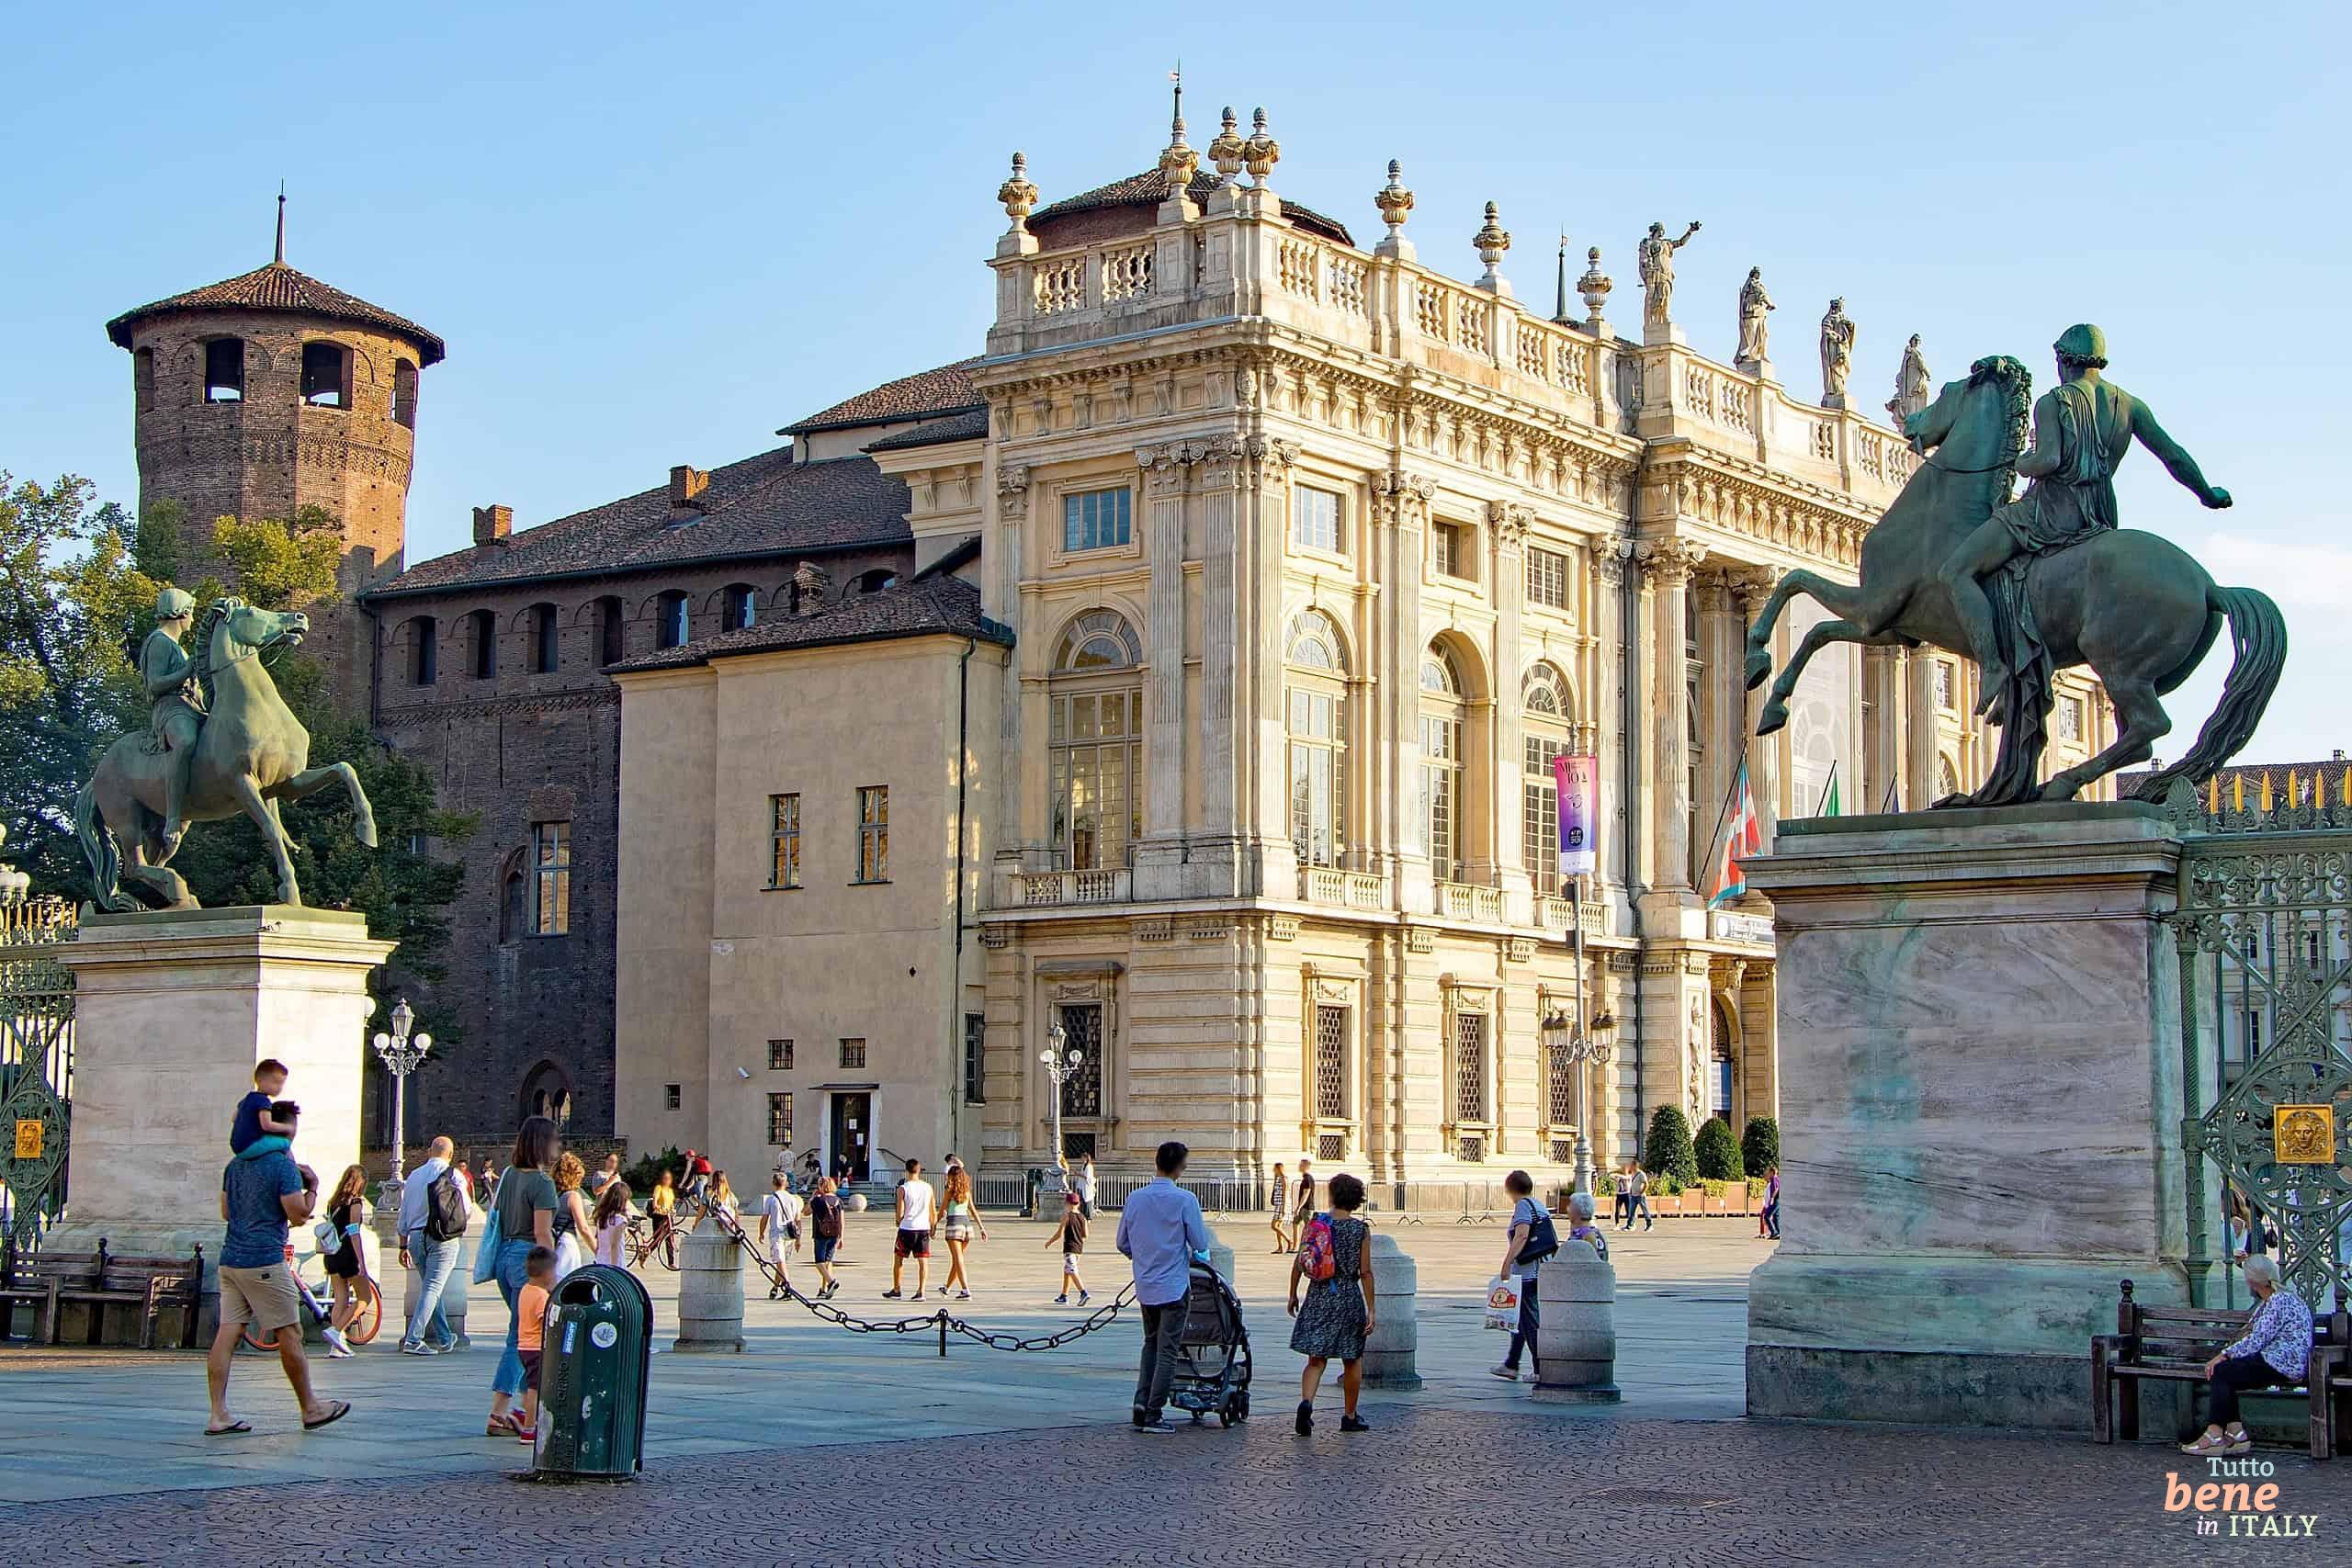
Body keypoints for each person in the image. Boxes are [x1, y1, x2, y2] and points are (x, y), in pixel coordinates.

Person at [1933, 323, 2232, 725]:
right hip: (2098, 515)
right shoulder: (2128, 405)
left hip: (2048, 514)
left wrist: (2022, 461)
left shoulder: (2054, 401)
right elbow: (2172, 455)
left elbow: (2049, 461)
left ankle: (1993, 668)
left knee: (1957, 570)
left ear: (2064, 360)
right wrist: (2206, 492)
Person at [205, 1101, 350, 1435]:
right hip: (265, 1260)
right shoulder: (282, 1165)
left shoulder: (235, 1164)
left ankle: (218, 1413)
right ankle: (310, 1407)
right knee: (290, 1332)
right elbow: (298, 1214)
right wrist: (312, 1188)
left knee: (228, 1333)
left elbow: (226, 1212)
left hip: (232, 1260)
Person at [1116, 1140, 1211, 1434]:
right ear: (1181, 1168)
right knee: (1168, 1350)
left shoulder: (1135, 1198)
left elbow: (1122, 1242)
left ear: (1156, 1162)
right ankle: (1154, 1413)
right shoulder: (1185, 1200)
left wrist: (1143, 1256)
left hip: (1146, 1285)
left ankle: (1141, 1403)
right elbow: (1200, 1243)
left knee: (1150, 1344)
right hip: (1173, 1286)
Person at [2182, 1255, 2313, 1457]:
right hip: (2283, 1360)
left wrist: (2223, 1355)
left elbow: (2256, 1341)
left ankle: (2214, 1434)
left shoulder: (2277, 1301)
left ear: (2251, 1281)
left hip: (2281, 1363)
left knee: (2222, 1371)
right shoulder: (2283, 1297)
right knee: (2228, 1375)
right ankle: (2235, 1433)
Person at [1288, 1171, 1377, 1436]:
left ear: (1333, 1196)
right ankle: (1349, 1416)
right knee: (1352, 1359)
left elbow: (1299, 1261)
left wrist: (1293, 1293)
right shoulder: (1360, 1229)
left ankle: (1306, 1403)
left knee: (1316, 1359)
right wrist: (1371, 1308)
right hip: (1348, 1296)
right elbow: (1365, 1272)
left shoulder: (1317, 1223)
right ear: (1357, 1200)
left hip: (1318, 1293)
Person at [487, 1116, 560, 1438]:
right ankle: (499, 1412)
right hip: (527, 1258)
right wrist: (552, 1276)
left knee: (522, 1331)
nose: (559, 1146)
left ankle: (519, 1408)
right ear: (543, 1144)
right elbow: (543, 1233)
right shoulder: (542, 1184)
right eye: (555, 1140)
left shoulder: (509, 1176)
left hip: (504, 1255)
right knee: (521, 1337)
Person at [140, 583, 206, 852]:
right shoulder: (159, 641)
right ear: (180, 613)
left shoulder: (178, 647)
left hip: (190, 706)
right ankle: (173, 815)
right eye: (190, 613)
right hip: (170, 708)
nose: (192, 619)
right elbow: (155, 684)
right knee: (186, 742)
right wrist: (188, 670)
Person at [397, 1134, 466, 1354]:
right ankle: (414, 1339)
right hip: (443, 1238)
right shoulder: (454, 1175)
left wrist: (402, 1244)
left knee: (431, 1288)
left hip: (416, 1237)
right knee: (433, 1288)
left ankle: (445, 1338)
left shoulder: (414, 1176)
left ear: (429, 1152)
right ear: (451, 1154)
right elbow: (467, 1208)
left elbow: (404, 1213)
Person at [1489, 1169, 1558, 1384]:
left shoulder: (1522, 1207)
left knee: (1529, 1322)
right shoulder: (1538, 1205)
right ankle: (1511, 1364)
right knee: (1518, 1320)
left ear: (1510, 1188)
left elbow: (1522, 1235)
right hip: (1540, 1268)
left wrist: (1507, 1263)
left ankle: (1540, 1368)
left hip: (1528, 1272)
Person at [320, 1164, 369, 1353]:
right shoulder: (355, 1203)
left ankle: (336, 1346)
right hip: (348, 1255)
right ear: (360, 1182)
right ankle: (336, 1330)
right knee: (365, 1297)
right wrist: (361, 1262)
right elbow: (353, 1233)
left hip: (332, 1254)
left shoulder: (333, 1202)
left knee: (341, 1297)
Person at [513, 1246, 557, 1445]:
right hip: (536, 1348)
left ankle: (529, 1421)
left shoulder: (526, 1290)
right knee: (535, 1388)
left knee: (532, 1385)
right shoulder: (541, 1296)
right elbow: (546, 1321)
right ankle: (530, 1427)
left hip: (524, 1346)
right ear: (547, 1273)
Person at [884, 1157, 935, 1302]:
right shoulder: (928, 1187)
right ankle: (921, 1291)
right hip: (923, 1228)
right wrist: (933, 1226)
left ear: (906, 1171)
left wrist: (898, 1220)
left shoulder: (903, 1189)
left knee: (899, 1259)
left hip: (907, 1228)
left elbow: (899, 1212)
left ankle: (897, 1289)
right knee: (923, 1261)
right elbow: (932, 1210)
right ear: (919, 1170)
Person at [229, 1058, 297, 1162]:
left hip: (236, 1147)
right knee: (285, 1143)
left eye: (282, 1084)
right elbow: (267, 1125)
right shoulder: (263, 1101)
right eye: (276, 1083)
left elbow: (234, 1118)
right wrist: (287, 1127)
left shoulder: (246, 1099)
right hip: (250, 1147)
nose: (279, 1088)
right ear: (261, 1081)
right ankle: (290, 1169)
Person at [937, 1166, 988, 1300]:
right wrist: (981, 1227)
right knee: (957, 1260)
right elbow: (973, 1210)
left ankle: (965, 1289)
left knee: (958, 1260)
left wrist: (933, 1225)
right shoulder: (967, 1192)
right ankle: (947, 1288)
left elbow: (942, 1210)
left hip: (954, 1225)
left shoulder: (950, 1191)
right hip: (967, 1227)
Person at [759, 1172, 804, 1298]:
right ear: (786, 1184)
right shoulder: (793, 1199)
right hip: (790, 1233)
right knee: (782, 1262)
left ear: (773, 1183)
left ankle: (787, 1286)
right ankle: (775, 1287)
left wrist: (761, 1233)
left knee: (780, 1261)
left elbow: (765, 1218)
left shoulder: (771, 1199)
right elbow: (798, 1220)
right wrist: (798, 1239)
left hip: (776, 1233)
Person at [551, 1152, 594, 1280]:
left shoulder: (552, 1195)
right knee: (567, 1282)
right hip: (567, 1242)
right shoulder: (573, 1196)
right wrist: (597, 1248)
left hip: (552, 1241)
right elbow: (584, 1228)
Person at [1046, 1190, 1091, 1305]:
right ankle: (1064, 1295)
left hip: (1070, 1247)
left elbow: (1060, 1233)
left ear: (1068, 1204)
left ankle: (1083, 1292)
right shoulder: (1083, 1217)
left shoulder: (1067, 1216)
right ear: (1078, 1203)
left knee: (1071, 1270)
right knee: (1067, 1270)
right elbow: (1085, 1234)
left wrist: (1049, 1242)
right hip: (1079, 1248)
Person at [808, 1176, 844, 1298]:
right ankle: (824, 1289)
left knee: (819, 1262)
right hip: (834, 1234)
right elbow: (842, 1221)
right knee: (828, 1262)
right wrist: (841, 1236)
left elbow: (806, 1211)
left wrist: (812, 1198)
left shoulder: (817, 1200)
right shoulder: (838, 1200)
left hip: (820, 1233)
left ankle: (831, 1282)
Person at [593, 1179, 632, 1268]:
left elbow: (599, 1244)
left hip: (600, 1261)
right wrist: (614, 1267)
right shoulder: (620, 1220)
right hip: (615, 1263)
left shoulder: (601, 1218)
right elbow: (615, 1245)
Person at [646, 1168, 680, 1268]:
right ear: (662, 1179)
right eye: (665, 1178)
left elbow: (671, 1203)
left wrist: (673, 1210)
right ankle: (646, 1253)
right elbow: (655, 1200)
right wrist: (656, 1205)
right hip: (659, 1216)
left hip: (668, 1216)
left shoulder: (670, 1191)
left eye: (669, 1178)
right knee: (658, 1239)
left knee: (669, 1238)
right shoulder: (659, 1188)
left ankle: (671, 1262)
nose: (667, 1180)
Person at [1564, 1190, 1609, 1261]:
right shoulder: (1597, 1233)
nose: (1567, 1209)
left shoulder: (1581, 1236)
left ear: (1576, 1211)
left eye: (1570, 1206)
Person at [1292, 1158, 1317, 1247]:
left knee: (1309, 1228)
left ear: (1306, 1166)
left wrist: (1299, 1207)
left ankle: (1310, 1245)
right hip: (1303, 1207)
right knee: (1295, 1223)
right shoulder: (1305, 1178)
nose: (1299, 1166)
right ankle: (1295, 1245)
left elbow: (1306, 1194)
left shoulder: (1308, 1179)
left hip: (1307, 1207)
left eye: (1301, 1165)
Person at [1621, 1162, 1654, 1231]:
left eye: (1632, 1166)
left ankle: (1649, 1225)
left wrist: (1642, 1192)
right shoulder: (1633, 1174)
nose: (1630, 1167)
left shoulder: (1641, 1174)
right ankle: (1630, 1225)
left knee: (1645, 1210)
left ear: (1635, 1166)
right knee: (1631, 1211)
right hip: (1633, 1195)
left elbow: (1646, 1184)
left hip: (1640, 1196)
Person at [1268, 1162, 1292, 1254]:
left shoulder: (1283, 1179)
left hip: (1282, 1205)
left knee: (1274, 1226)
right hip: (1278, 1204)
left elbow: (1285, 1193)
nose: (1273, 1170)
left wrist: (1284, 1208)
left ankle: (1289, 1240)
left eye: (1275, 1168)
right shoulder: (1277, 1178)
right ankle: (1280, 1247)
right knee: (1278, 1226)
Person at [1758, 1164, 1781, 1240]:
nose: (1767, 1174)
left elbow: (1776, 1189)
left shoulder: (1774, 1179)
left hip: (1775, 1200)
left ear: (1772, 1172)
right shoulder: (1777, 1178)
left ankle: (1774, 1232)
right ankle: (1778, 1233)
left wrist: (1772, 1198)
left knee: (1767, 1216)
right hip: (1778, 1200)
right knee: (1776, 1217)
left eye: (1768, 1172)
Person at [1076, 1156, 1099, 1222]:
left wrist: (1079, 1174)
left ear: (1085, 1158)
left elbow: (1087, 1177)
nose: (1081, 1159)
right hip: (1083, 1186)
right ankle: (1083, 1216)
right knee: (1082, 1201)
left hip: (1087, 1186)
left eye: (1082, 1157)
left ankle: (1089, 1217)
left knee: (1087, 1201)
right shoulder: (1084, 1165)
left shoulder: (1089, 1167)